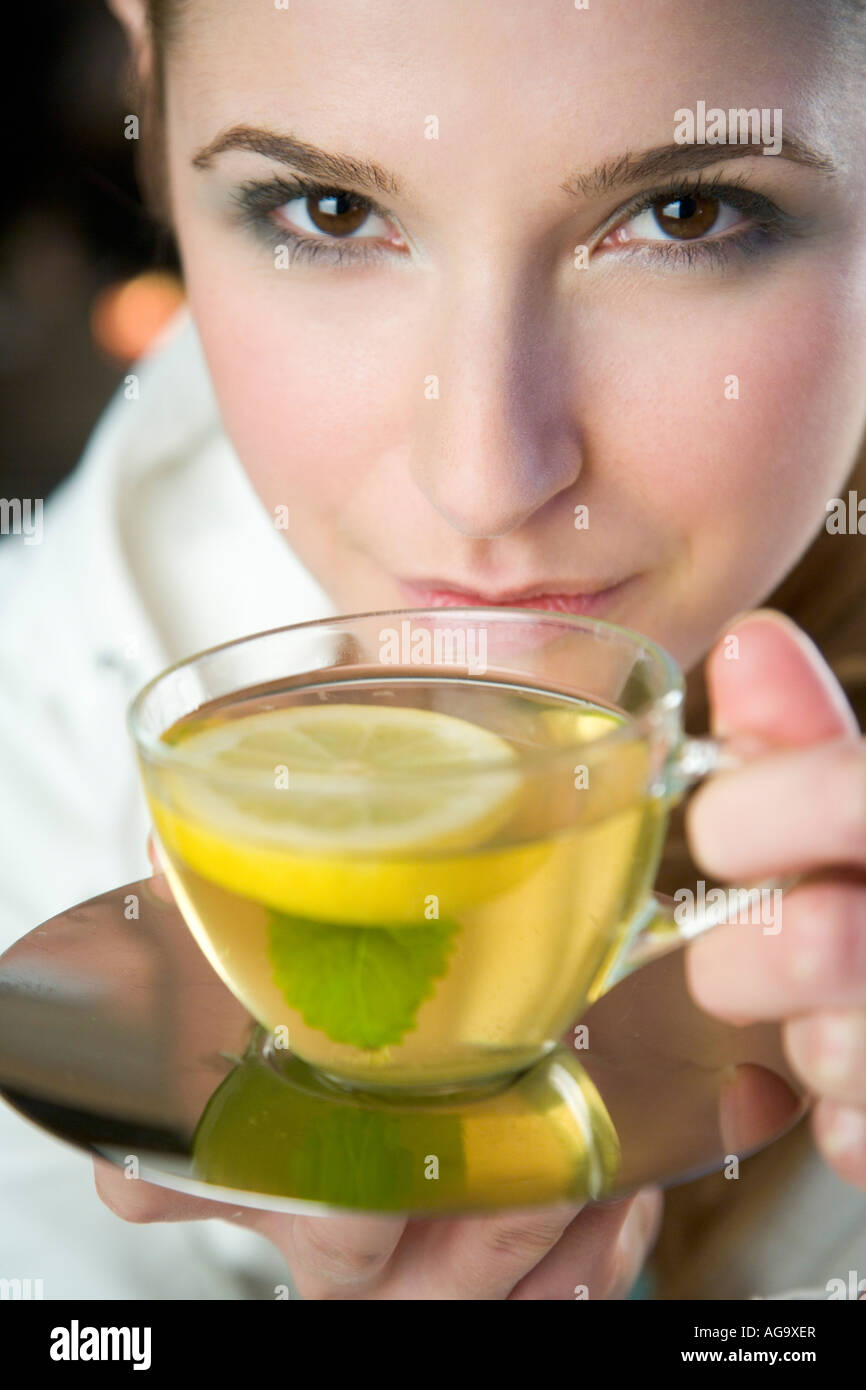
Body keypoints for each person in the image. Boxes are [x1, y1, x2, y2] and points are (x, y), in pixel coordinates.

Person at [1, 0, 865, 1299]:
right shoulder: (59, 695)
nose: (481, 479)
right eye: (328, 212)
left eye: (685, 215)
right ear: (148, 79)